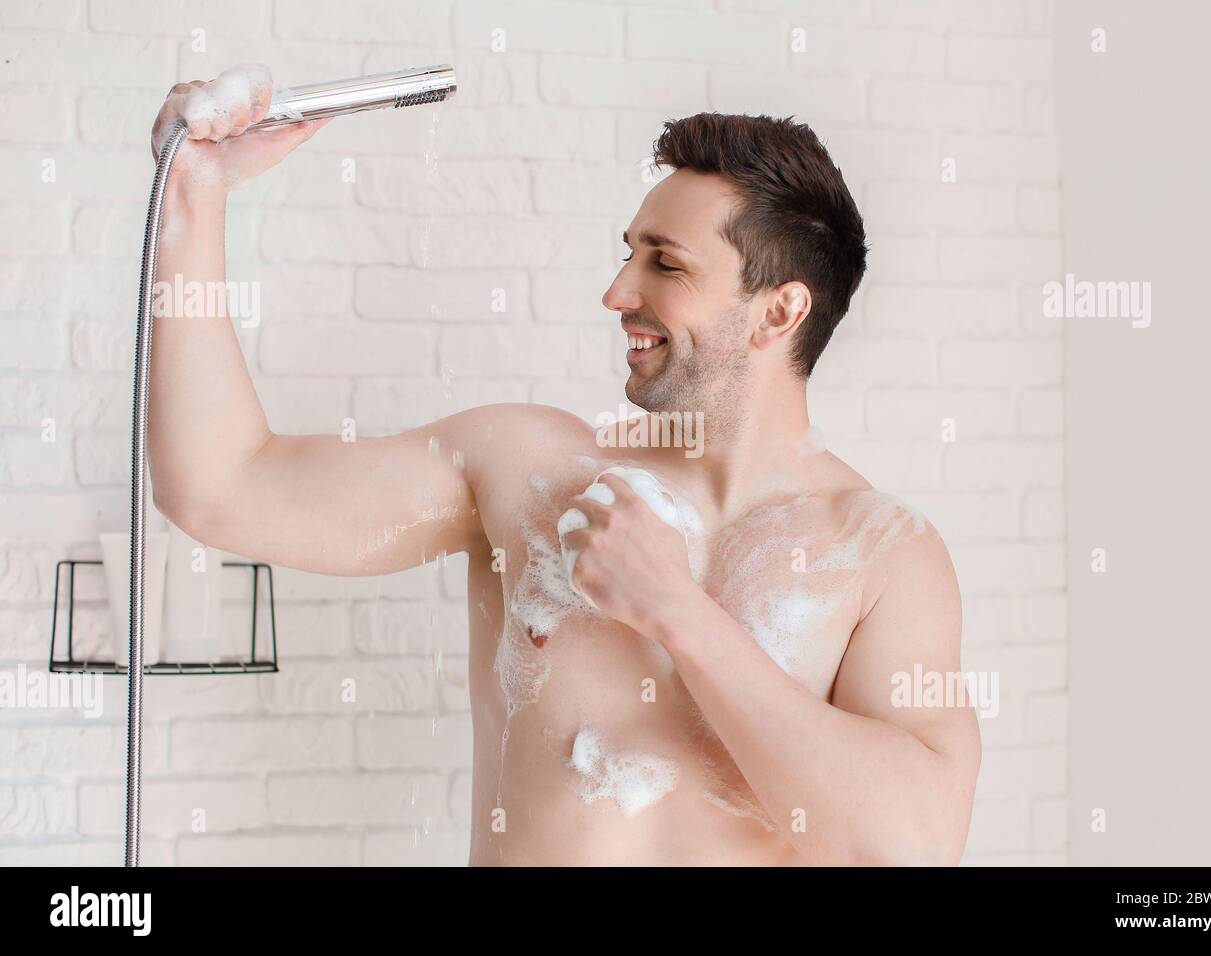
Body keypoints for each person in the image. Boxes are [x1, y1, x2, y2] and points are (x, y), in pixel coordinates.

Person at [148, 65, 980, 865]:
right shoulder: (529, 470)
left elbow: (911, 843)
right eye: (629, 253)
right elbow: (221, 489)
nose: (618, 292)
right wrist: (195, 193)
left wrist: (675, 610)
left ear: (779, 312)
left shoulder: (880, 554)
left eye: (665, 262)